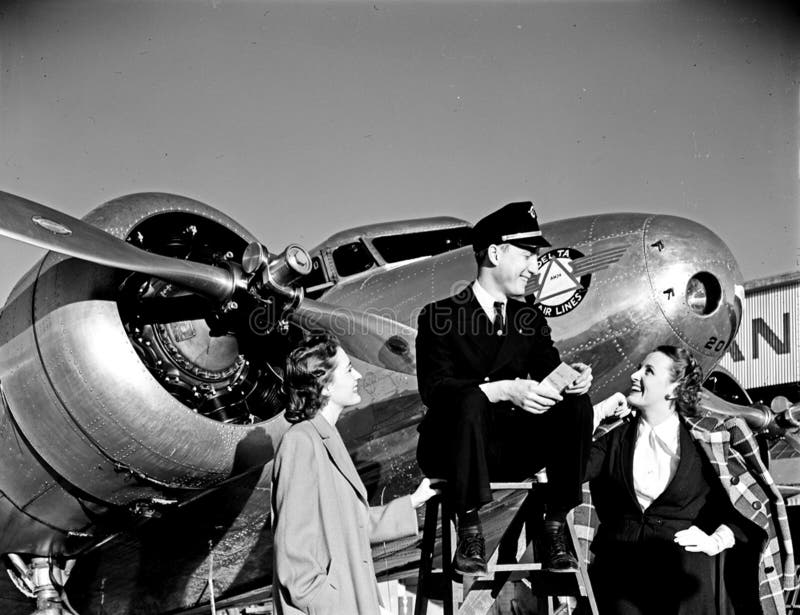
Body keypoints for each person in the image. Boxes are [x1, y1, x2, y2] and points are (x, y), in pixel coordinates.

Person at [415, 200, 595, 575]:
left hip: (513, 447)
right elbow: (434, 390)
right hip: (457, 447)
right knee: (468, 400)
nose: (534, 267)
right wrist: (502, 389)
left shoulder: (528, 317)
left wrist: (573, 377)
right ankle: (469, 527)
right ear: (494, 253)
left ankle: (555, 522)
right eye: (528, 254)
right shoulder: (439, 315)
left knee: (577, 407)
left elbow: (550, 369)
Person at [580, 345, 796, 615]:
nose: (635, 376)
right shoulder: (613, 438)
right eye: (638, 369)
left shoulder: (709, 440)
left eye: (648, 371)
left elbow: (749, 508)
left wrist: (717, 539)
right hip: (620, 579)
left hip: (686, 582)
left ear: (673, 388)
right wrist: (595, 414)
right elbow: (563, 471)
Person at [272, 332, 439, 615]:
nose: (359, 375)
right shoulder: (301, 441)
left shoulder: (325, 438)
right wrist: (328, 603)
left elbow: (354, 523)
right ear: (324, 386)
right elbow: (293, 547)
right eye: (348, 369)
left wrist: (413, 501)